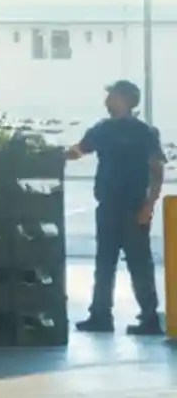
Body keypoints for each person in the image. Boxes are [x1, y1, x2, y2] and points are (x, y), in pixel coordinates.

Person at [67, 80, 165, 336]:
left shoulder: (145, 132)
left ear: (125, 99)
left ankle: (149, 317)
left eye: (111, 96)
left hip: (134, 207)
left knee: (139, 264)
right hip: (108, 206)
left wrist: (149, 206)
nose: (107, 101)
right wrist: (51, 154)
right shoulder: (102, 130)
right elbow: (78, 151)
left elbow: (157, 171)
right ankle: (100, 315)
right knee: (104, 262)